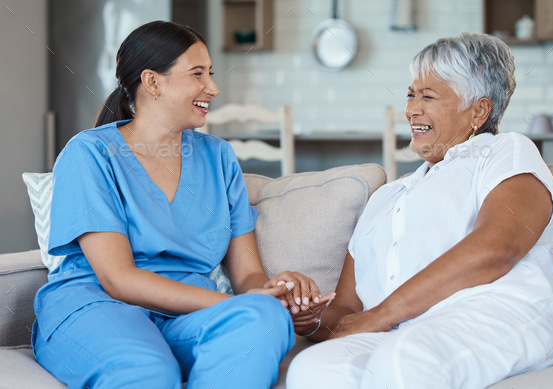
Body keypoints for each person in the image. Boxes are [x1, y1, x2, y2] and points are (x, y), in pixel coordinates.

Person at [32, 21, 332, 389]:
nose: (213, 88)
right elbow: (118, 278)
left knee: (267, 316)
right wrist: (227, 306)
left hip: (187, 315)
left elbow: (247, 275)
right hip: (99, 306)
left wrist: (276, 293)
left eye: (211, 73)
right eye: (198, 74)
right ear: (153, 82)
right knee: (149, 372)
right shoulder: (90, 153)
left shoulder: (218, 158)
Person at [287, 32, 553, 389]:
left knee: (403, 360)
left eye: (428, 96)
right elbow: (351, 311)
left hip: (508, 314)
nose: (412, 109)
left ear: (479, 110)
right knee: (312, 369)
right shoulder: (387, 197)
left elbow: (499, 247)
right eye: (411, 94)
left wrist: (383, 314)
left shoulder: (505, 152)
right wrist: (313, 318)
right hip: (406, 331)